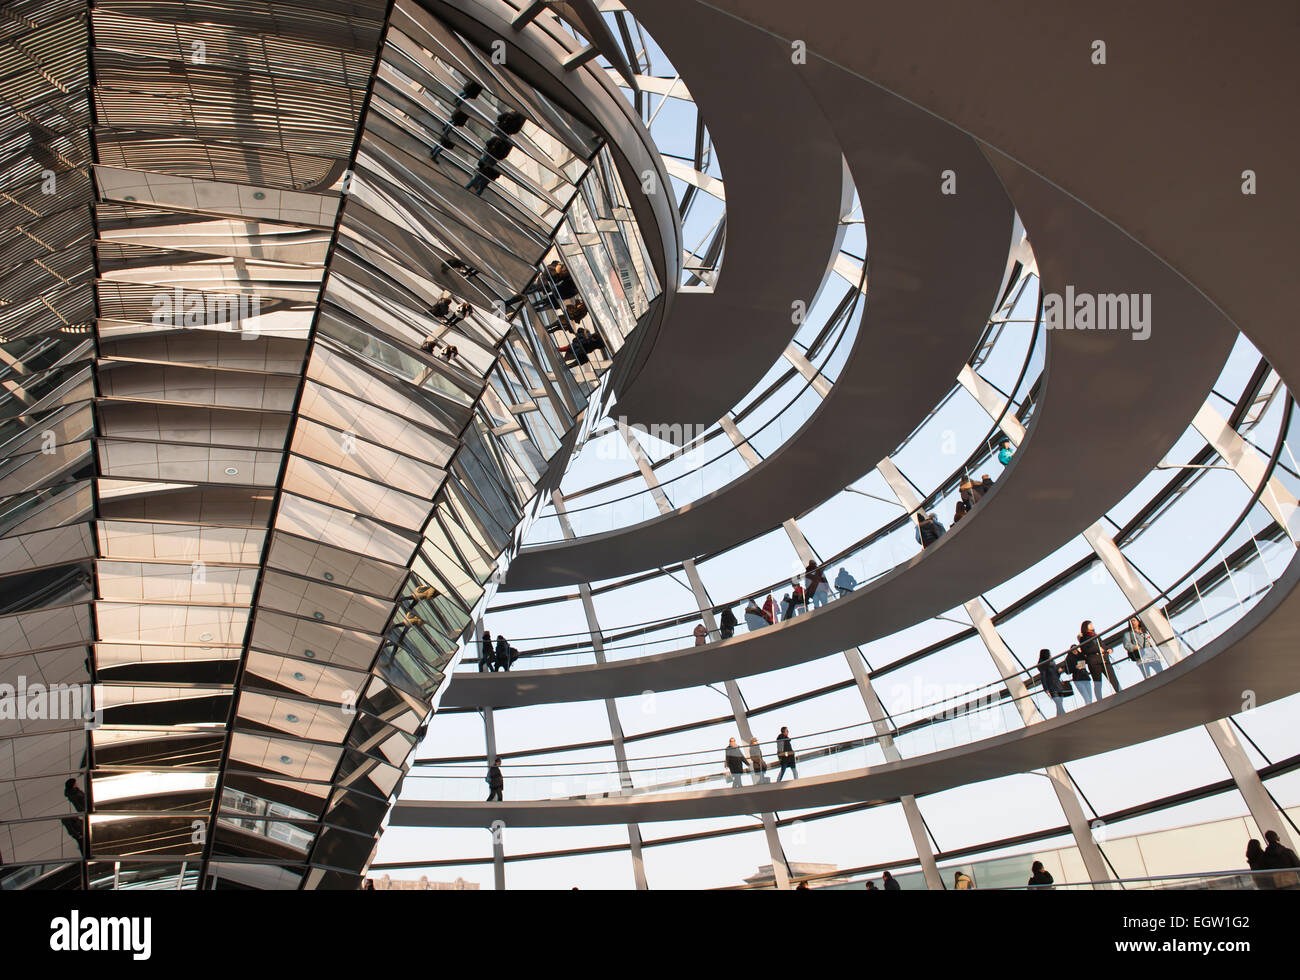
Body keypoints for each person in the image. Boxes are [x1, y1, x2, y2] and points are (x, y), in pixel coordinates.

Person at [1078, 620, 1118, 698]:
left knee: (1113, 678)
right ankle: (1099, 699)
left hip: (1104, 659)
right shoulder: (1083, 638)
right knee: (1098, 682)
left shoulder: (1096, 635)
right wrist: (1098, 649)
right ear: (1086, 626)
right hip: (1094, 662)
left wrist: (1109, 649)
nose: (1092, 625)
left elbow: (1103, 645)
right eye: (1090, 624)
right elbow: (1086, 650)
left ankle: (1119, 691)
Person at [1038, 648, 1068, 717]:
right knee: (1059, 703)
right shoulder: (1044, 665)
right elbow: (1043, 678)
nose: (1050, 655)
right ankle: (1064, 717)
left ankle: (1060, 718)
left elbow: (1056, 676)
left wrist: (1059, 672)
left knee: (1059, 704)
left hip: (1057, 685)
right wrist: (1046, 689)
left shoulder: (1052, 663)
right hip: (1052, 687)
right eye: (1049, 653)